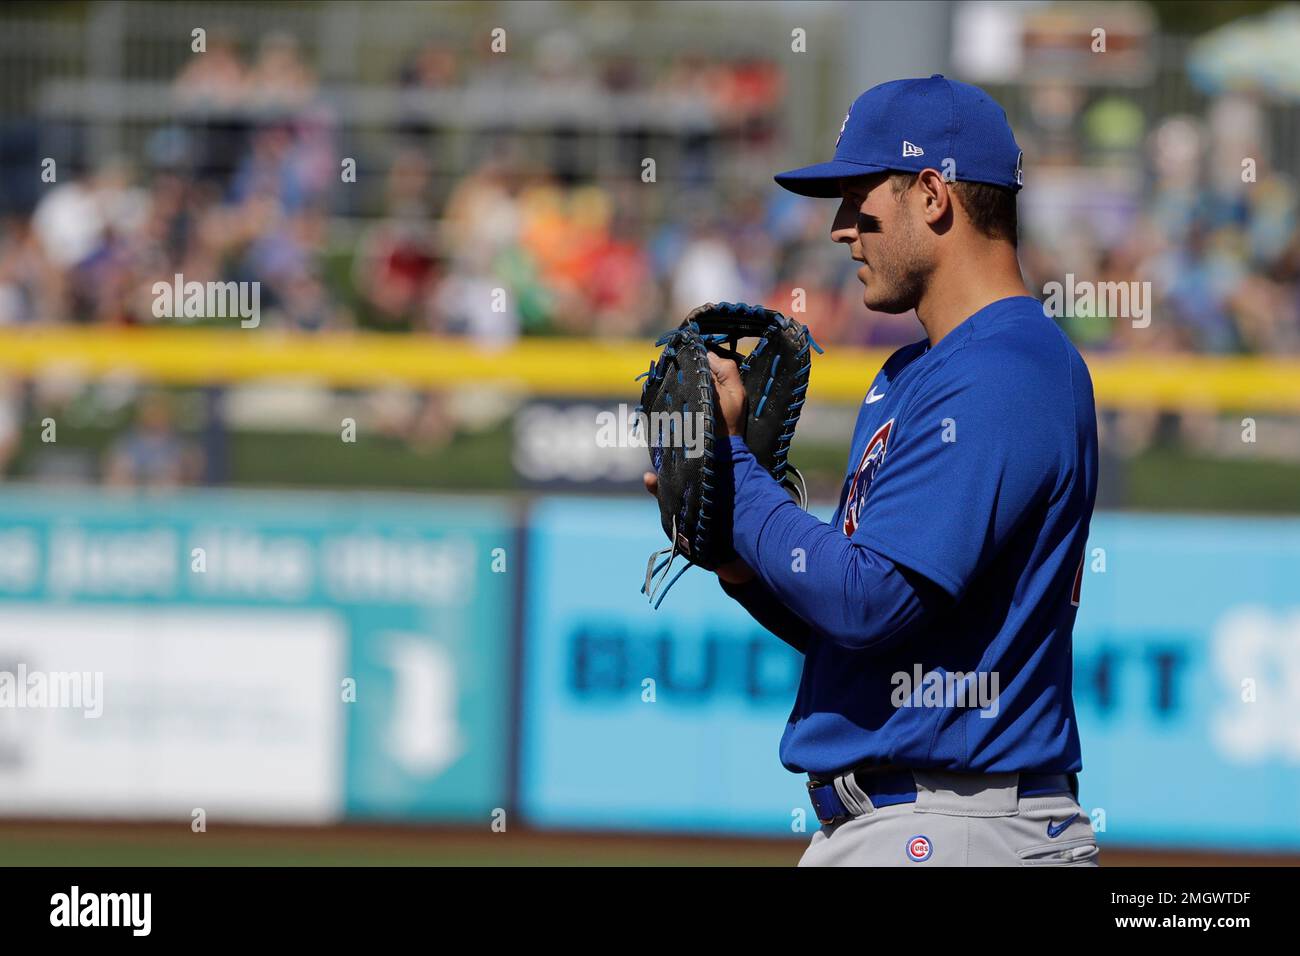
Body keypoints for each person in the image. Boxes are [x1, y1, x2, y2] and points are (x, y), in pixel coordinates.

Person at [647, 75, 1099, 866]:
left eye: (860, 199)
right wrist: (736, 561)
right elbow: (864, 635)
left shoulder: (1004, 369)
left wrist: (735, 468)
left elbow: (868, 601)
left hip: (958, 822)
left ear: (932, 194)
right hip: (914, 819)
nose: (839, 229)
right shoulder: (916, 371)